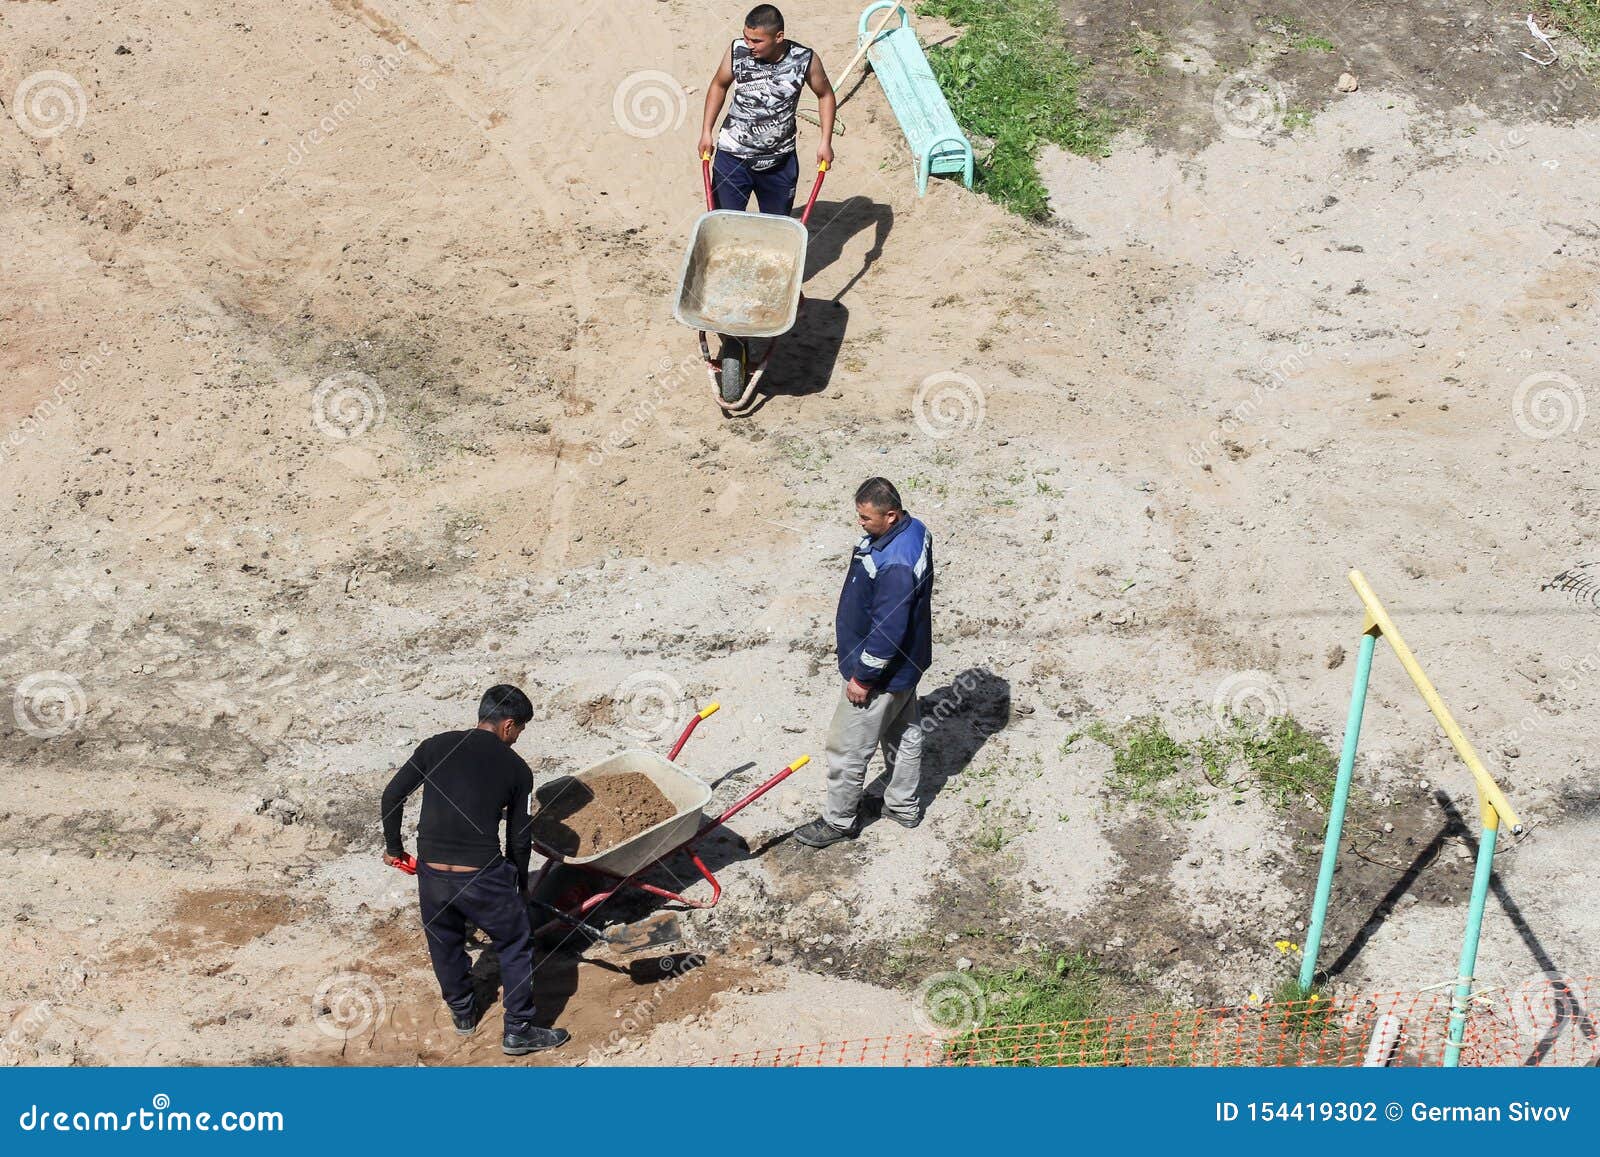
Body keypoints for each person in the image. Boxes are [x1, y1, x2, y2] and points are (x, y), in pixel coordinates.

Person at [380, 685, 570, 1056]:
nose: (517, 739)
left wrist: (394, 848)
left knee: (445, 940)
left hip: (432, 874)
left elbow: (392, 796)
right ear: (508, 725)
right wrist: (519, 885)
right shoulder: (516, 769)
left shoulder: (436, 745)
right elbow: (519, 839)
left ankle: (463, 1013)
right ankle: (519, 1030)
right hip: (481, 875)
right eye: (520, 731)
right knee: (516, 943)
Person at [795, 478, 934, 847]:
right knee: (905, 733)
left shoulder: (897, 565)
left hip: (882, 672)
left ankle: (839, 821)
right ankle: (902, 806)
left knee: (847, 748)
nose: (860, 523)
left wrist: (863, 677)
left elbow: (888, 630)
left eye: (865, 518)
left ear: (891, 515)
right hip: (909, 664)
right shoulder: (915, 530)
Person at [698, 4, 836, 216]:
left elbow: (825, 94)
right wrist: (706, 131)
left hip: (779, 162)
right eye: (746, 37)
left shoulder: (804, 59)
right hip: (732, 158)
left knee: (775, 228)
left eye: (756, 41)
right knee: (726, 224)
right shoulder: (737, 51)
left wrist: (825, 142)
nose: (749, 45)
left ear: (778, 37)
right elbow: (719, 84)